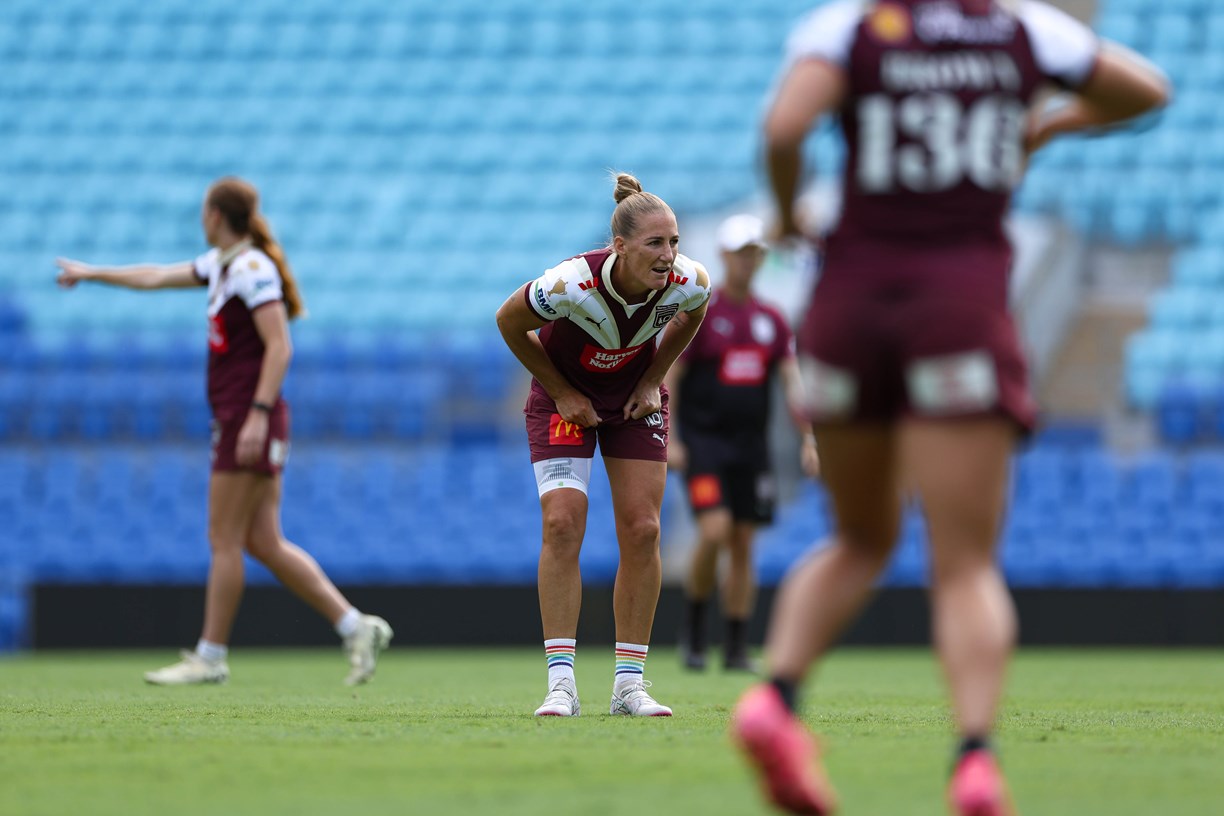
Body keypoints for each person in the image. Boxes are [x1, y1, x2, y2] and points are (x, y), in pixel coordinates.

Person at [730, 2, 1169, 814]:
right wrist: (1047, 126)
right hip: (957, 307)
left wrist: (790, 214)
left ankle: (775, 699)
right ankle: (973, 760)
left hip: (847, 305)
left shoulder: (850, 26)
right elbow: (1147, 91)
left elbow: (786, 129)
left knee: (859, 537)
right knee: (964, 563)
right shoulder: (1023, 29)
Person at [56, 176, 393, 687]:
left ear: (216, 215)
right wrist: (91, 272)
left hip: (247, 415)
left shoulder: (251, 267)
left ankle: (210, 656)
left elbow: (279, 346)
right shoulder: (223, 265)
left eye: (204, 211)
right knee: (261, 541)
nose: (200, 218)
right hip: (244, 414)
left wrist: (257, 412)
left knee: (223, 536)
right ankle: (355, 625)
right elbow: (152, 277)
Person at [496, 172, 711, 717]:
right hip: (564, 402)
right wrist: (563, 391)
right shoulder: (571, 284)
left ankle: (628, 686)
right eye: (655, 243)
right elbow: (507, 321)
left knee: (643, 530)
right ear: (619, 246)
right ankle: (561, 684)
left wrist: (651, 379)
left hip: (633, 404)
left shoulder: (690, 282)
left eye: (675, 242)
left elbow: (693, 316)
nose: (670, 255)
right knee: (562, 523)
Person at [667, 213, 819, 673]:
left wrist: (808, 438)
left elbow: (794, 383)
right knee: (714, 531)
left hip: (751, 448)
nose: (748, 261)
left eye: (755, 253)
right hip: (705, 442)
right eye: (740, 253)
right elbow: (671, 374)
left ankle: (734, 647)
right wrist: (671, 436)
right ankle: (693, 633)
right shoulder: (701, 315)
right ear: (726, 256)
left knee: (744, 542)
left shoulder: (771, 321)